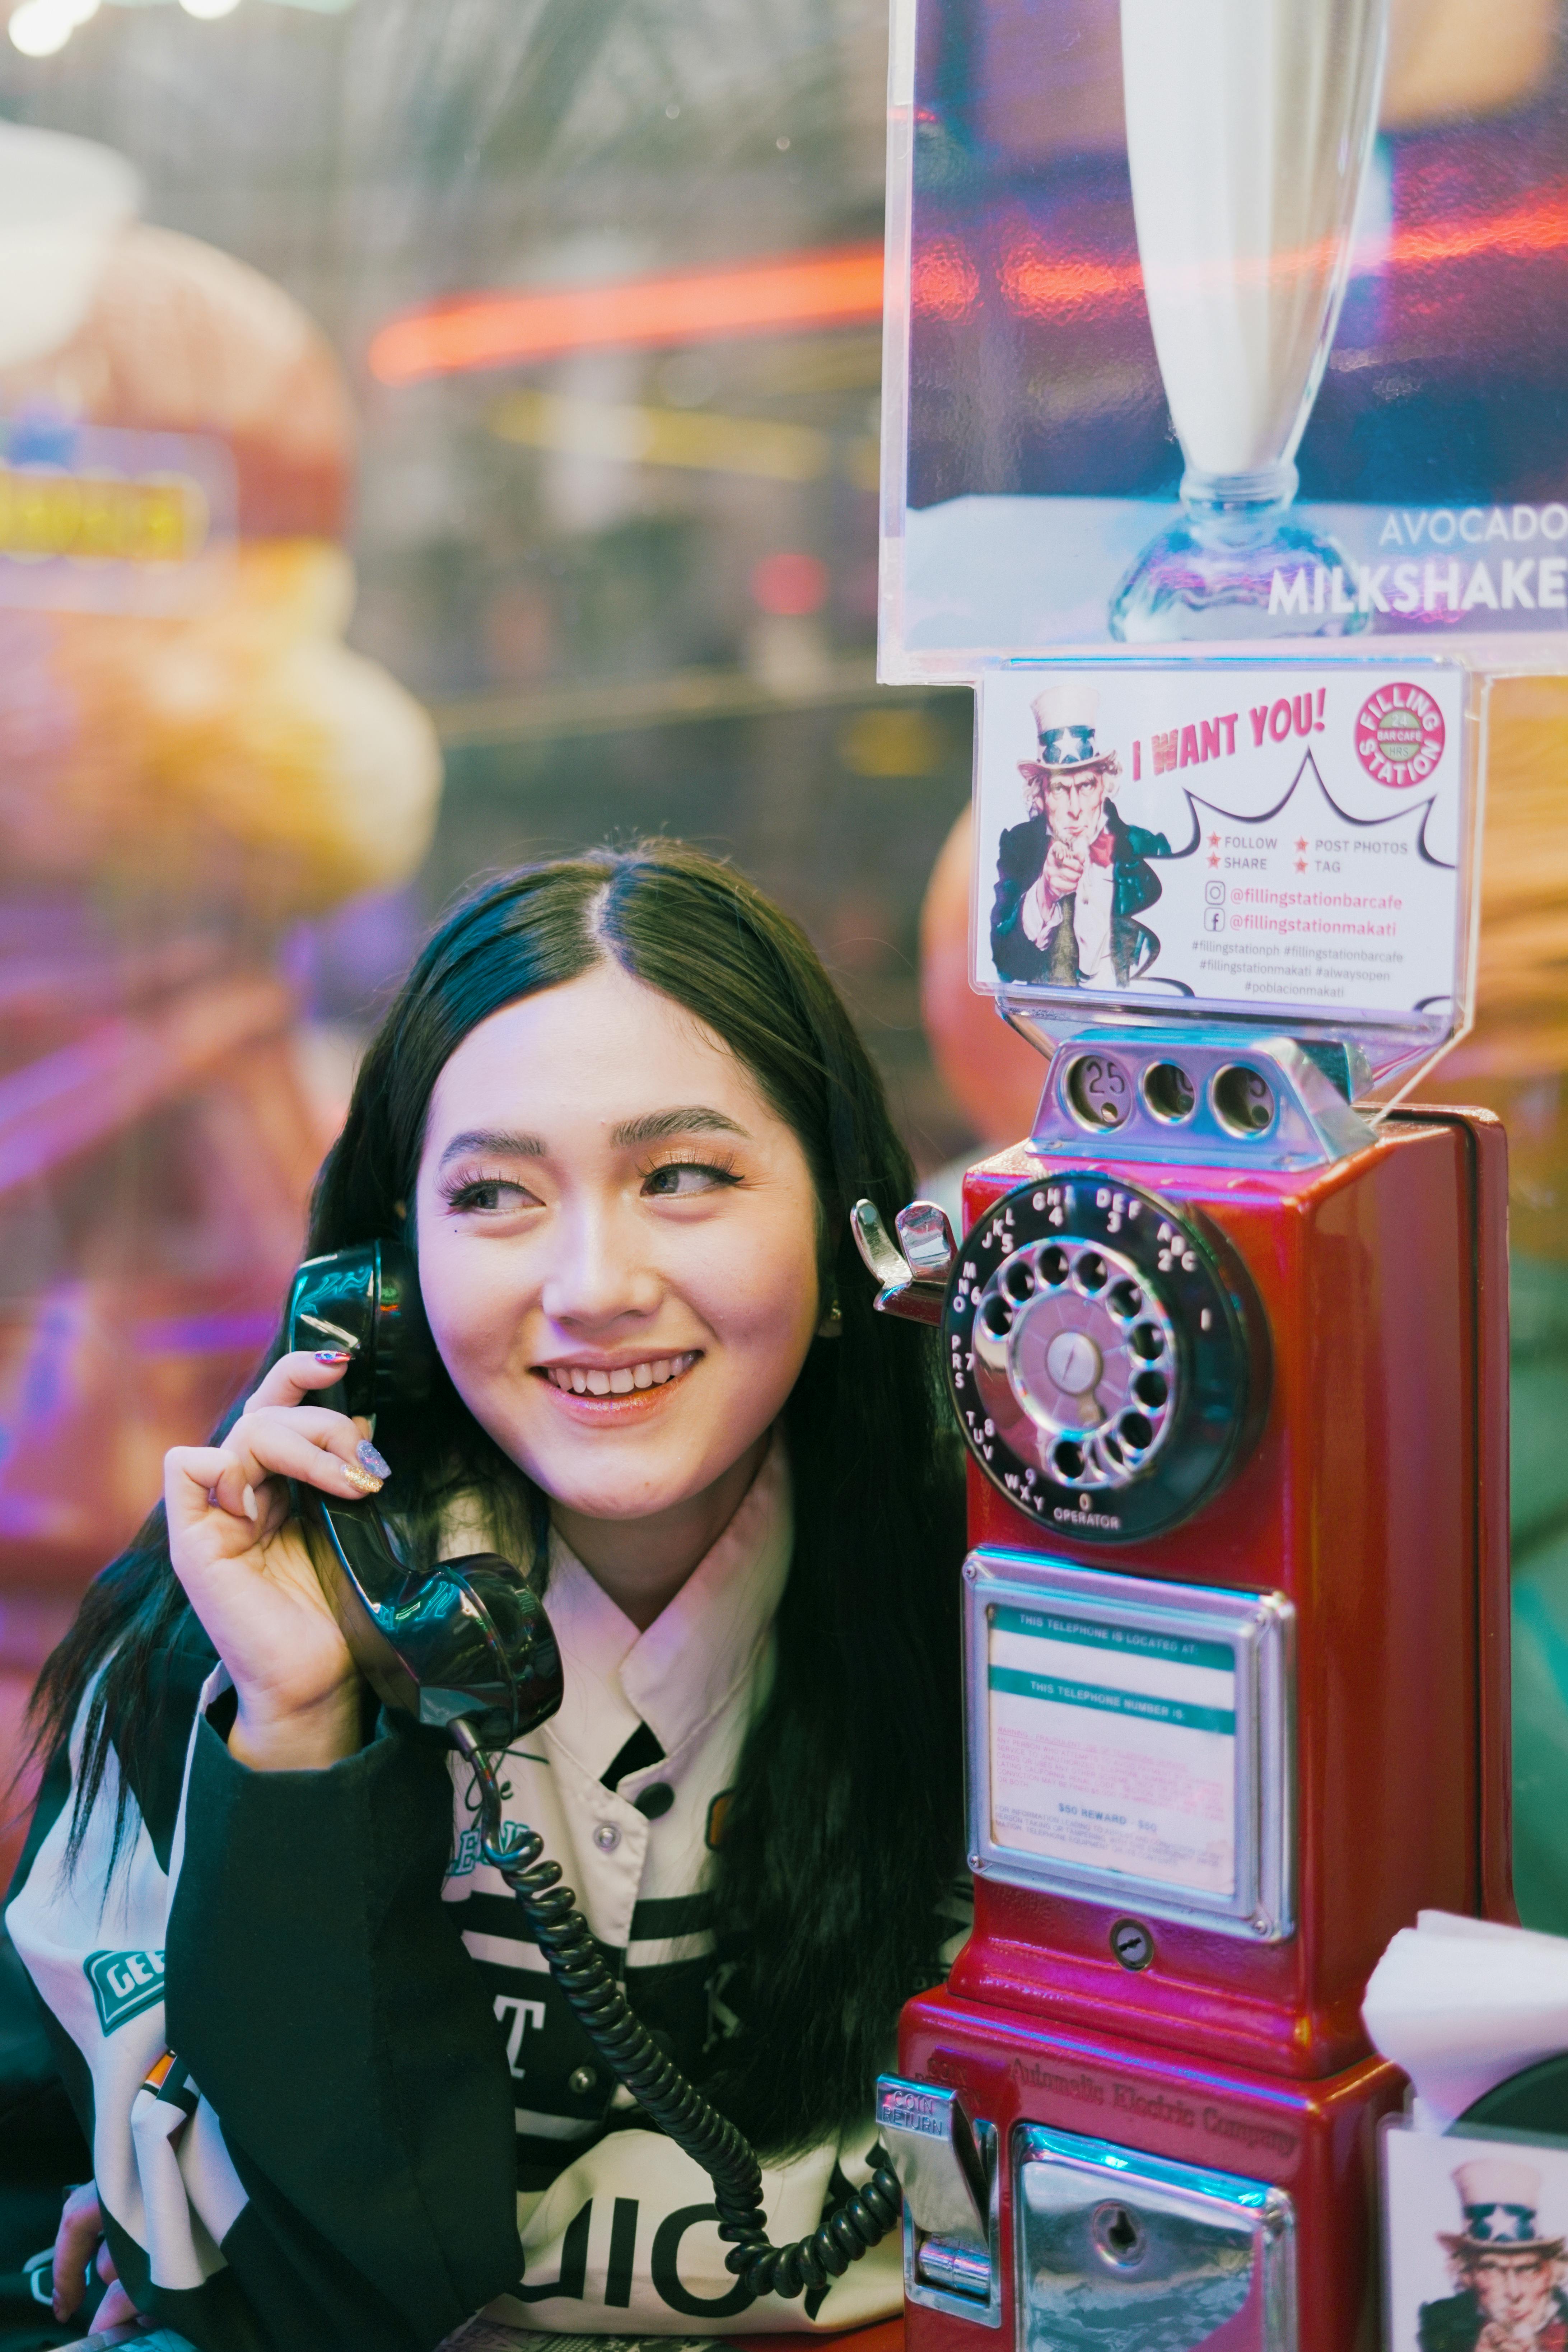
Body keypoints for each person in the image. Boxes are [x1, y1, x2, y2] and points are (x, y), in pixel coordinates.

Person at [3, 844, 967, 2352]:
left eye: (686, 1176)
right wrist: (296, 1737)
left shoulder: (989, 1608)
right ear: (387, 1273)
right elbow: (337, 2295)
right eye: (497, 1195)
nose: (593, 1281)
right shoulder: (231, 1614)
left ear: (847, 1228)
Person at [990, 686, 1169, 990]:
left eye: (1086, 785)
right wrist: (1044, 893)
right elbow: (1005, 964)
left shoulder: (1149, 849)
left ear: (1104, 786)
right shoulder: (1019, 847)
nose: (1075, 809)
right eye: (1060, 789)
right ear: (1041, 796)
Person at [1420, 2162, 1568, 2352]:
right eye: (1492, 2269)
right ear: (1468, 2275)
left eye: (1529, 2269)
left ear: (1552, 2272)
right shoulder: (1442, 2333)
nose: (1514, 2293)